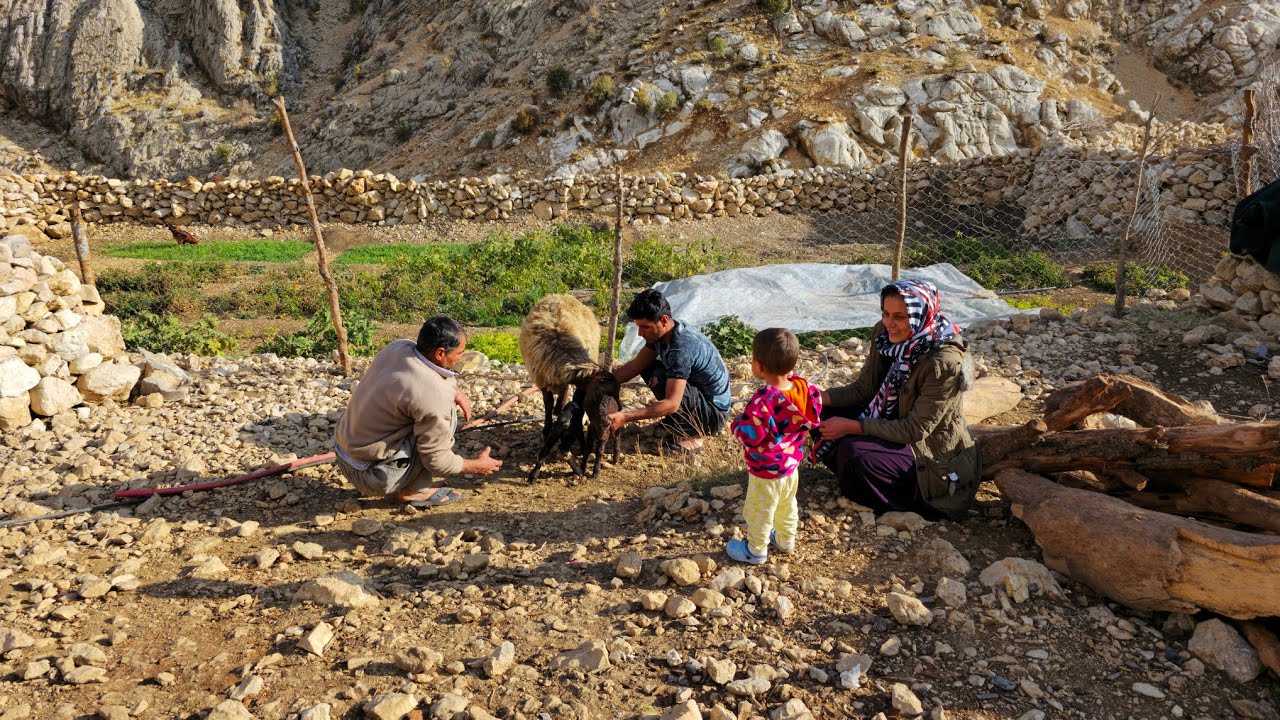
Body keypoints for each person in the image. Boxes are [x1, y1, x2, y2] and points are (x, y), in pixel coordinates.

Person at [814, 279, 979, 520]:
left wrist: (853, 427)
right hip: (894, 418)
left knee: (854, 453)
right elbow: (864, 389)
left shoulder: (942, 362)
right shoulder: (884, 335)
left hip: (927, 453)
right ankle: (856, 477)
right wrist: (815, 398)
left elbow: (916, 429)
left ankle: (895, 499)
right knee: (818, 413)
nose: (890, 323)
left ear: (920, 314)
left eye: (900, 317)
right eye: (885, 313)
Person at [333, 316, 502, 506]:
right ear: (440, 353)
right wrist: (475, 466)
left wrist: (455, 389)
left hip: (343, 456)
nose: (461, 358)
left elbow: (424, 378)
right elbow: (436, 460)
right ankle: (413, 491)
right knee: (444, 416)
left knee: (428, 412)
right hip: (373, 476)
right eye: (460, 353)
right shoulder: (433, 393)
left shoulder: (398, 348)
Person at [726, 328, 823, 565]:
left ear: (758, 366)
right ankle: (785, 541)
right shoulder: (803, 388)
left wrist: (737, 425)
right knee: (787, 505)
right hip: (791, 465)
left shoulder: (763, 400)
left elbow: (751, 435)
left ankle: (755, 550)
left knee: (760, 510)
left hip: (766, 469)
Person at [607, 289, 732, 452]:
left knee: (661, 377)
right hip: (700, 397)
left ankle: (692, 437)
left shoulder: (680, 349)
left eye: (645, 327)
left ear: (664, 320)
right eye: (638, 327)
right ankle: (680, 422)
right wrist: (603, 381)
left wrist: (625, 417)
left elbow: (672, 404)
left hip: (713, 415)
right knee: (649, 368)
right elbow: (636, 365)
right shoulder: (663, 334)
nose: (640, 333)